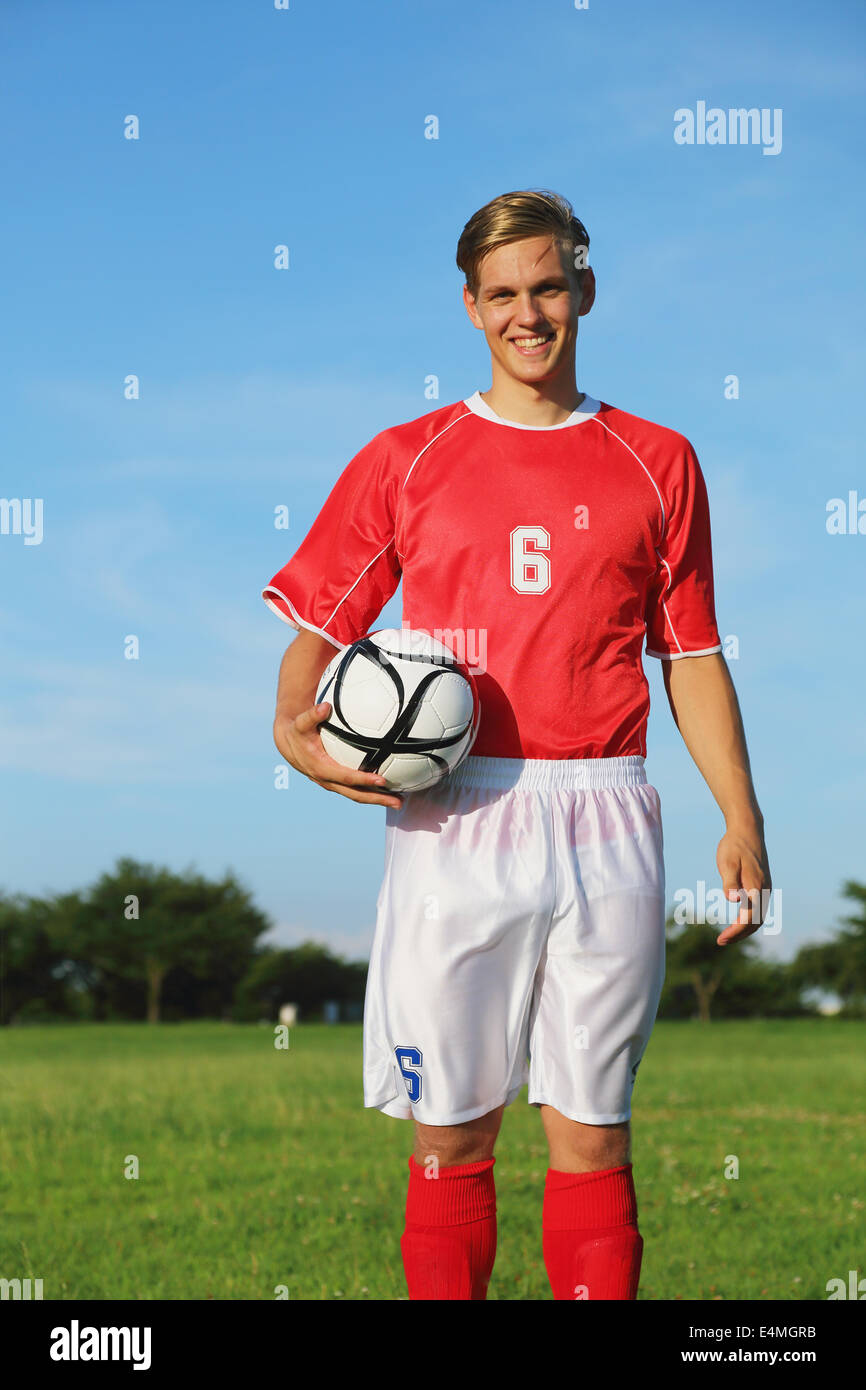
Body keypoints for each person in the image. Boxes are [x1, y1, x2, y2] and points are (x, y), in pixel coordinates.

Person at [263, 188, 771, 1301]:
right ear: (468, 306)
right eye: (502, 293)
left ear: (583, 287)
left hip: (605, 807)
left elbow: (687, 652)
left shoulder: (657, 459)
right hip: (458, 815)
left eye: (546, 286)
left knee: (592, 1135)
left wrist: (740, 815)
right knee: (449, 1138)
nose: (526, 313)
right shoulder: (408, 456)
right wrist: (290, 722)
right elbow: (319, 619)